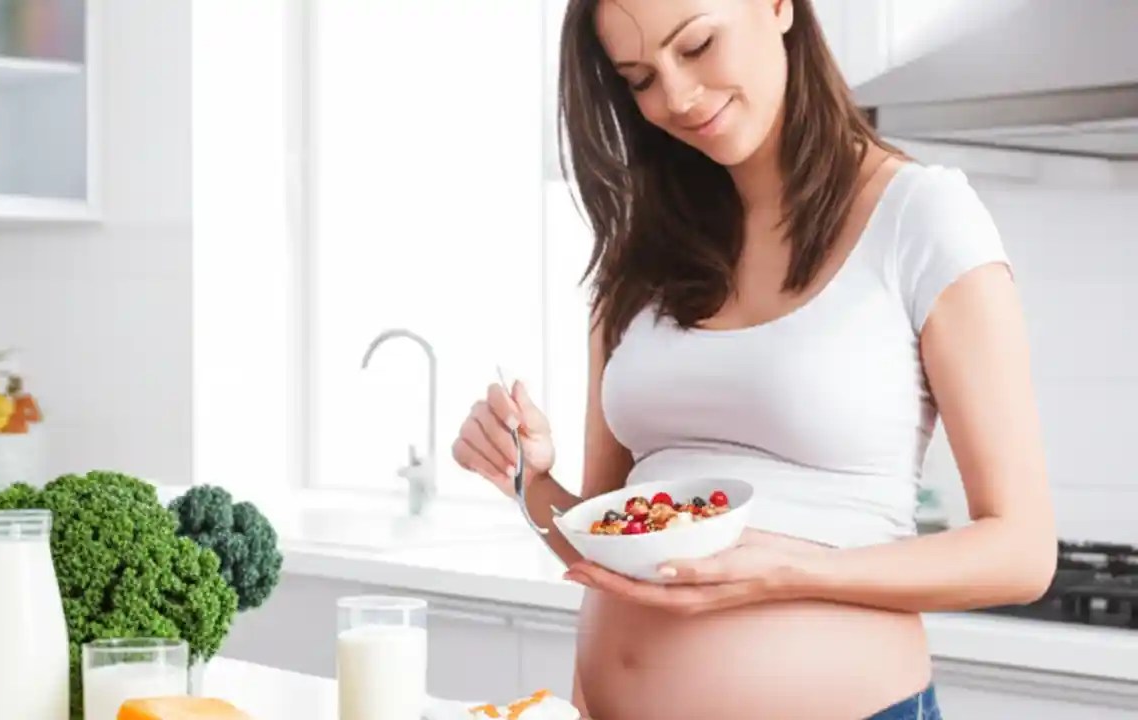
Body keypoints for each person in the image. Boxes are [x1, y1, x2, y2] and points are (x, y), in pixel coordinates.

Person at [450, 1, 1056, 718]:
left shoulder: (920, 216)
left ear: (777, 6)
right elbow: (614, 548)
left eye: (699, 45)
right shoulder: (637, 256)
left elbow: (1021, 552)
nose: (675, 97)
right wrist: (526, 478)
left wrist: (790, 573)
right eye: (640, 79)